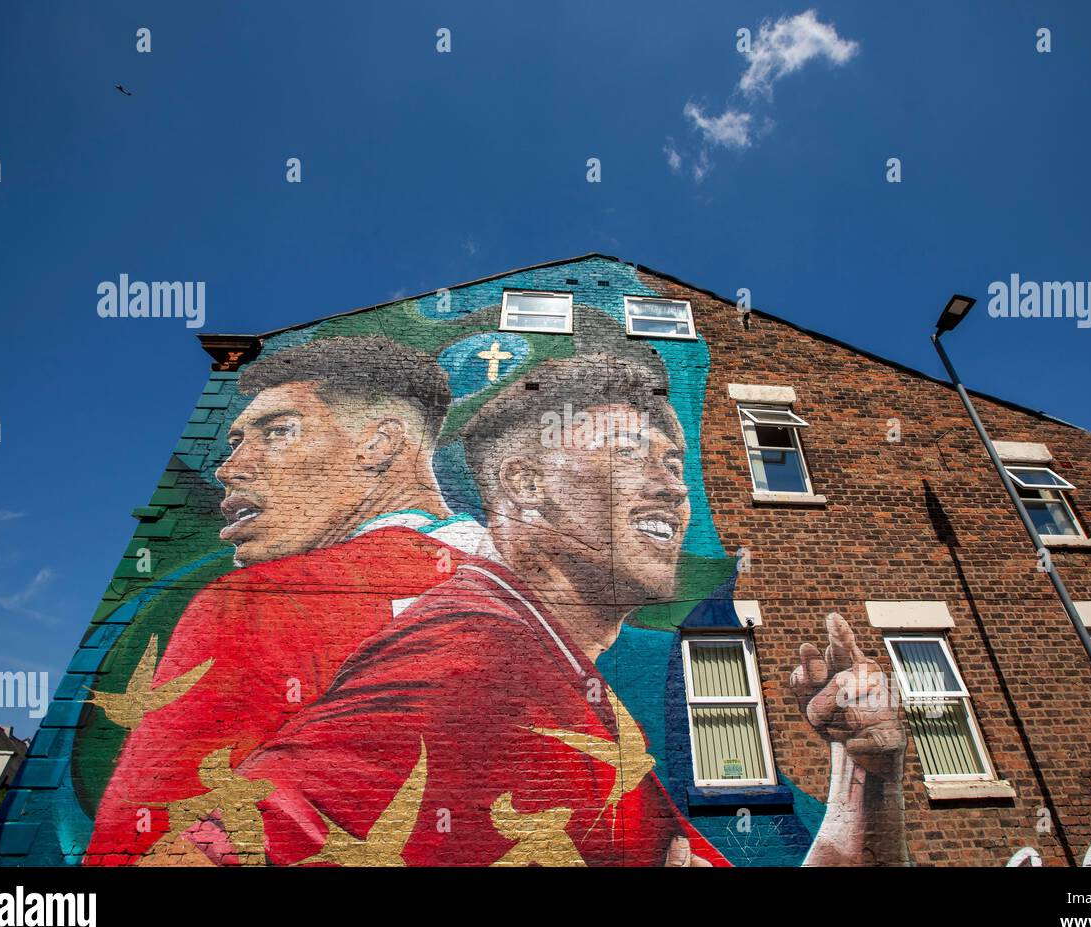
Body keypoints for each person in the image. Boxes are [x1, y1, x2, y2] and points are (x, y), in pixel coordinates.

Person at [228, 352, 907, 866]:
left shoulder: (577, 692)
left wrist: (866, 775)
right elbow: (222, 841)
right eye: (630, 453)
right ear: (524, 485)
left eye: (674, 465)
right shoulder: (479, 650)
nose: (673, 489)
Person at [84, 335, 496, 864]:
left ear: (380, 444)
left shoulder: (264, 601)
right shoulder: (544, 604)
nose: (230, 468)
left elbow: (131, 845)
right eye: (233, 442)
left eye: (276, 433)